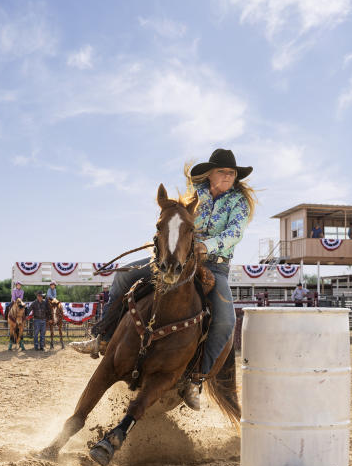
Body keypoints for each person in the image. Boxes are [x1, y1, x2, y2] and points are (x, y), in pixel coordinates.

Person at [86, 147, 255, 412]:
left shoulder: (239, 203)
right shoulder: (195, 196)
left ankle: (195, 380)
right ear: (210, 174)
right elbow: (173, 220)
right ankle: (103, 337)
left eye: (232, 173)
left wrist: (206, 246)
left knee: (226, 321)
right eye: (222, 171)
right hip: (177, 257)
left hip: (215, 265)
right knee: (123, 276)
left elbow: (235, 233)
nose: (228, 176)